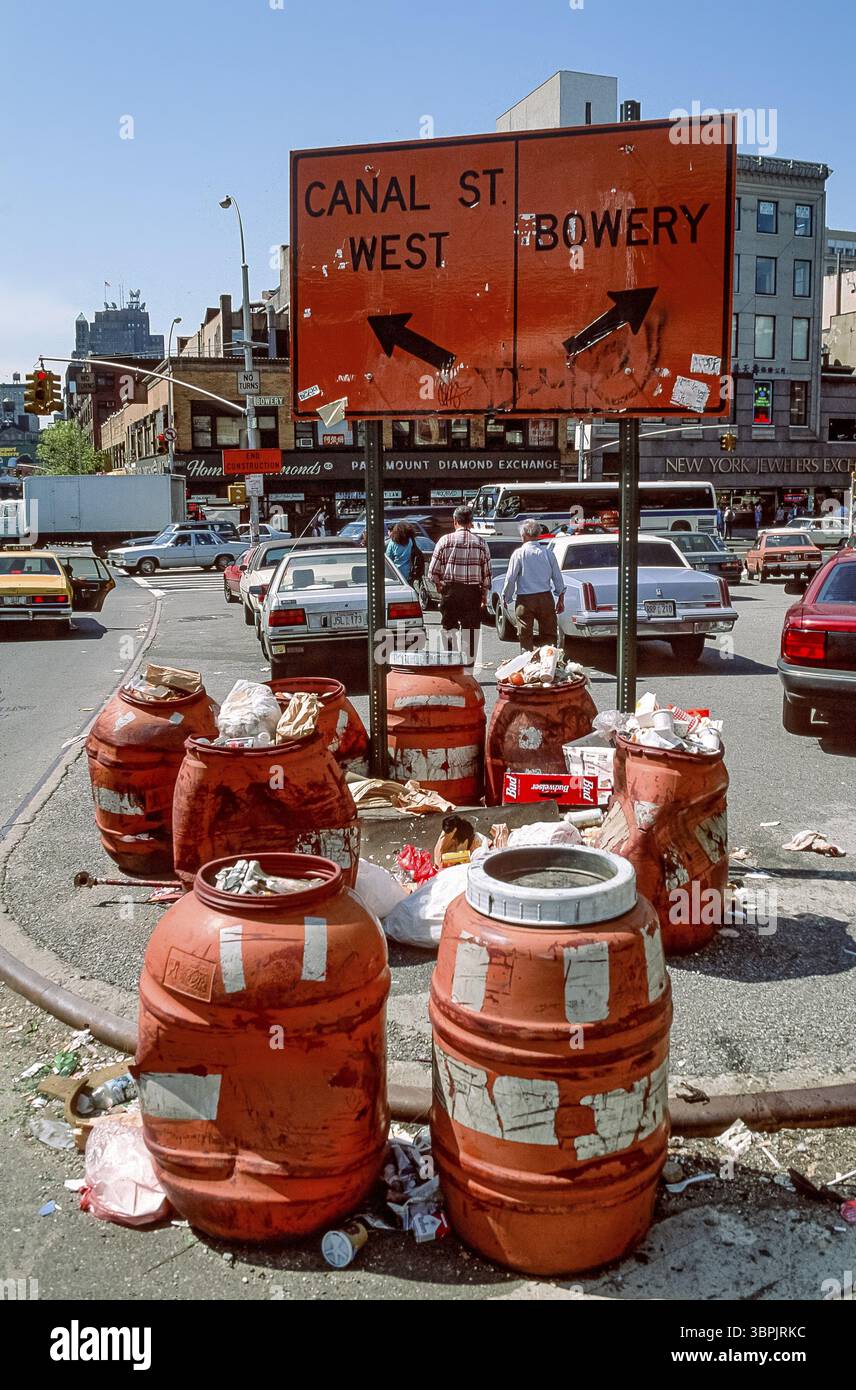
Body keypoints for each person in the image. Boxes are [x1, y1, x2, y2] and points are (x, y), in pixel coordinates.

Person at [427, 505, 491, 666]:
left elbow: (432, 572)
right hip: (472, 592)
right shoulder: (481, 543)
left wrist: (439, 586)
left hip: (450, 590)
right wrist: (483, 595)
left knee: (449, 627)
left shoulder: (445, 540)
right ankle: (468, 666)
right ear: (471, 522)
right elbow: (487, 576)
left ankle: (451, 663)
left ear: (455, 521)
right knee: (470, 631)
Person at [501, 518, 566, 651]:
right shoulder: (548, 553)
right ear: (538, 534)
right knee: (549, 636)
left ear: (524, 535)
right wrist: (560, 598)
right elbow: (558, 579)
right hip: (545, 598)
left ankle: (527, 665)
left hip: (525, 600)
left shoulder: (518, 554)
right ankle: (548, 665)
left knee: (525, 636)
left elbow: (510, 579)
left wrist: (506, 597)